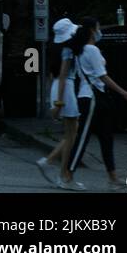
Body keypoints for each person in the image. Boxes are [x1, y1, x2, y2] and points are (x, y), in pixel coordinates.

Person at [68, 16, 127, 191]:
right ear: (92, 30)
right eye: (98, 28)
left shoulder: (82, 50)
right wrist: (123, 93)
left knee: (107, 137)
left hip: (93, 98)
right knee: (83, 138)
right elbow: (102, 76)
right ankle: (67, 176)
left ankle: (112, 177)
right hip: (91, 98)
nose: (99, 32)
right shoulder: (91, 50)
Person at [36, 17, 83, 190]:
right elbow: (64, 76)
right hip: (66, 88)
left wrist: (55, 98)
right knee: (72, 134)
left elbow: (53, 76)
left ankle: (55, 168)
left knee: (70, 133)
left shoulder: (54, 49)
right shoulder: (68, 50)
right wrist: (59, 102)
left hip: (57, 87)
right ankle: (58, 170)